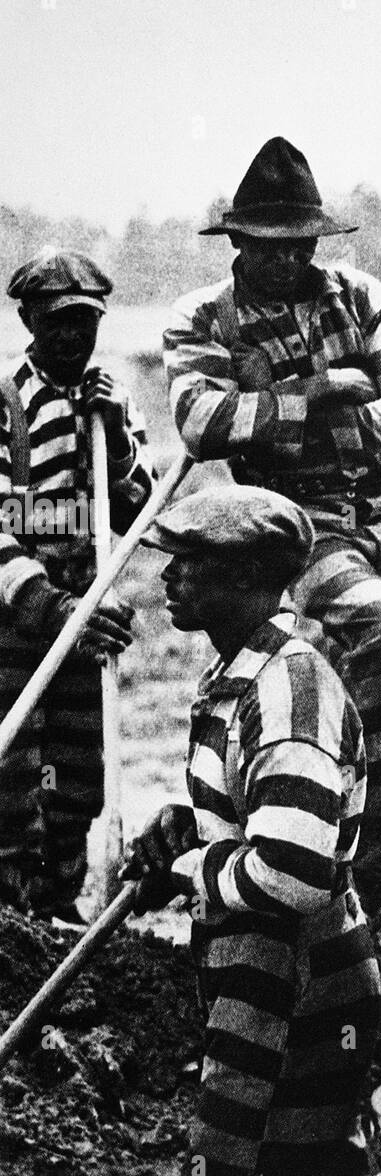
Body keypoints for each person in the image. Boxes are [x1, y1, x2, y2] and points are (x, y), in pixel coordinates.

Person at [123, 484, 381, 1176]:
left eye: (193, 561)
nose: (170, 574)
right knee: (323, 1171)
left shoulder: (286, 696)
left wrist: (185, 874)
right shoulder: (239, 676)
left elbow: (286, 872)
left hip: (294, 970)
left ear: (249, 574)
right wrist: (190, 822)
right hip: (271, 964)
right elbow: (259, 813)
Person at [163, 136, 381, 912]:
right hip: (301, 517)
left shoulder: (362, 296)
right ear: (241, 241)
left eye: (301, 245)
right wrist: (323, 390)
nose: (289, 261)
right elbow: (202, 421)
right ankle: (380, 872)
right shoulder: (203, 318)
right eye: (272, 247)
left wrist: (279, 414)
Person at [0, 249, 149, 922]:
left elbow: (135, 511)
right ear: (27, 317)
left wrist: (115, 435)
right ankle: (12, 920)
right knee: (13, 776)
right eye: (56, 322)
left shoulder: (108, 403)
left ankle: (58, 909)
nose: (71, 336)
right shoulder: (5, 401)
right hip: (16, 620)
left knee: (75, 776)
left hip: (85, 619)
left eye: (84, 322)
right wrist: (57, 610)